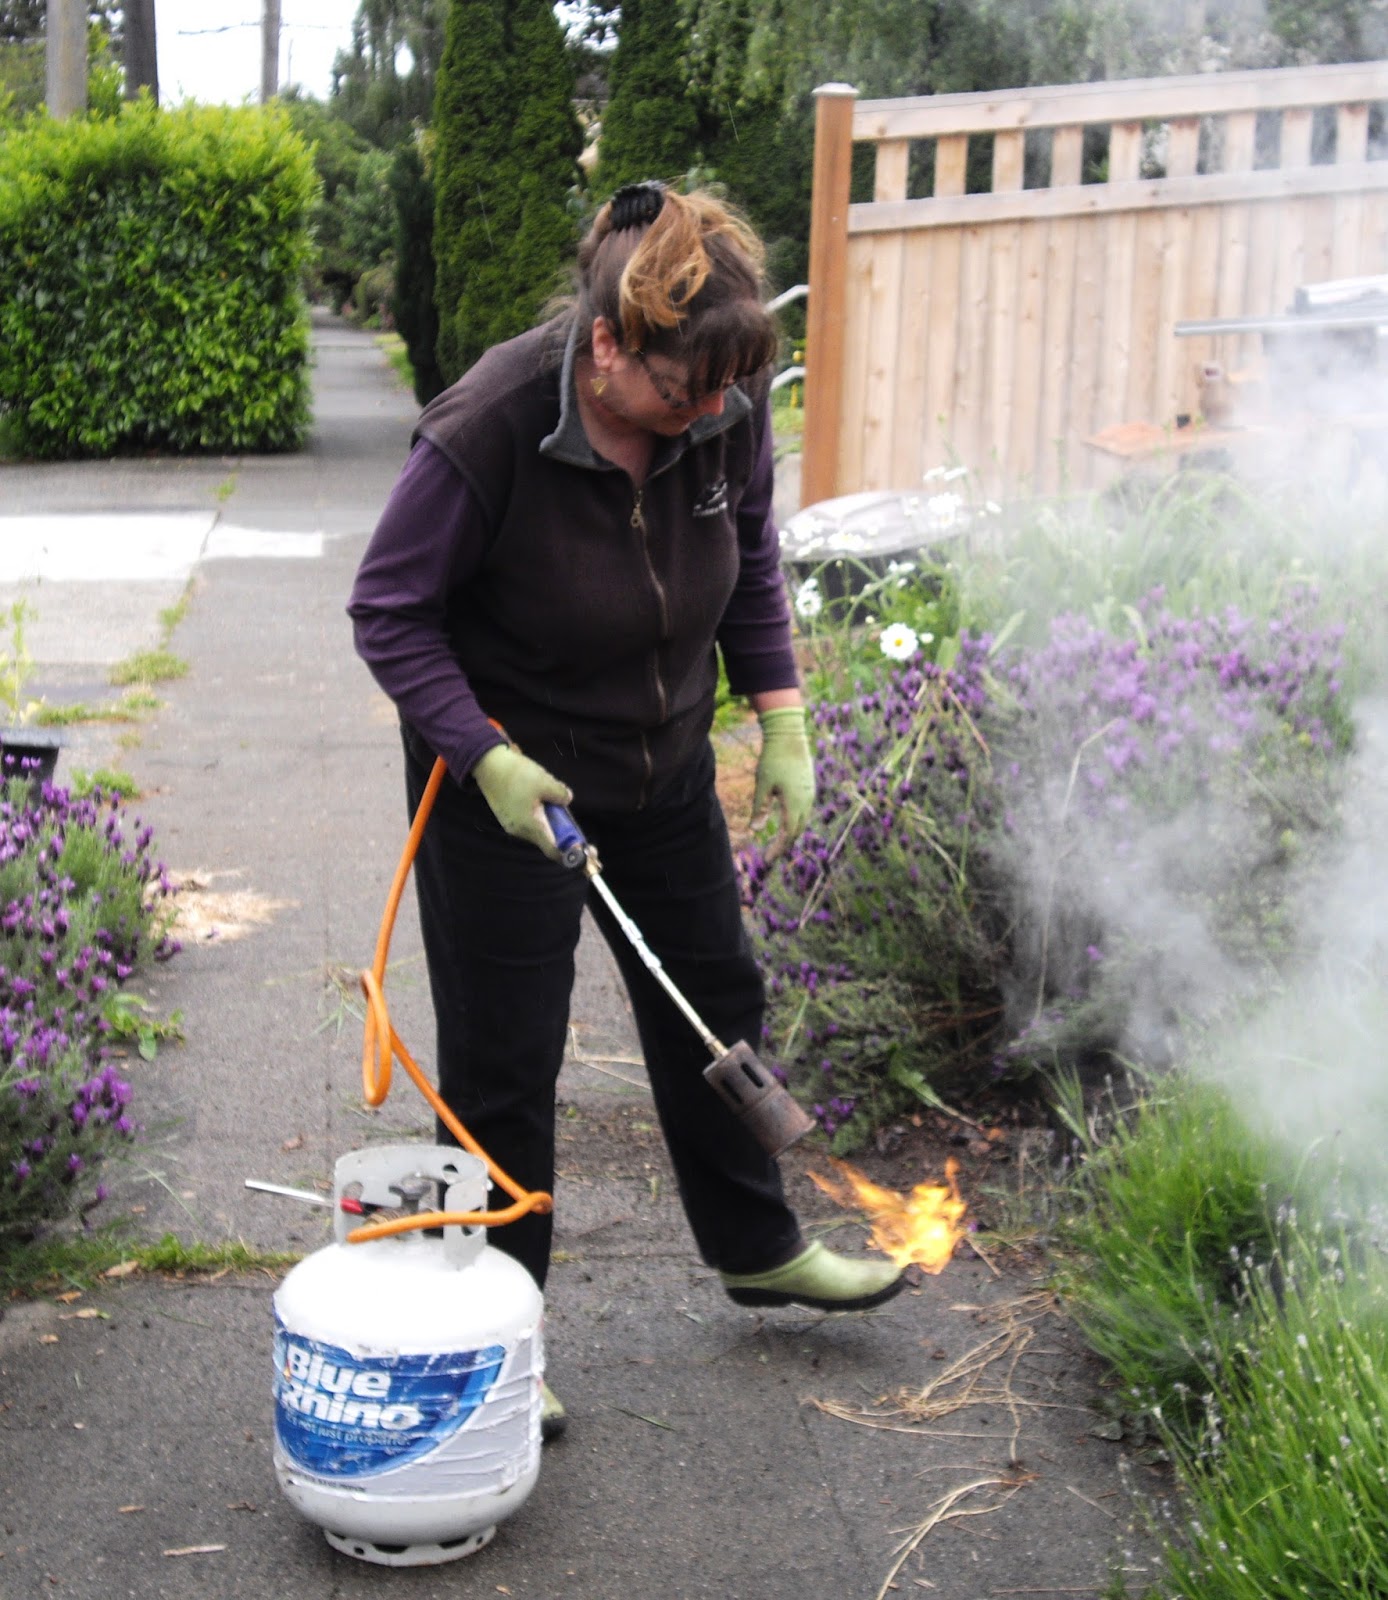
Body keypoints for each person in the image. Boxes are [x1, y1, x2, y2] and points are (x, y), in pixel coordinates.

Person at [348, 180, 905, 1436]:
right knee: (505, 1063)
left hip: (658, 769)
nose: (707, 415)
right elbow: (388, 611)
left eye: (725, 393)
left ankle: (756, 1245)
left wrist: (781, 711)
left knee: (716, 1002)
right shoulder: (490, 421)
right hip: (505, 786)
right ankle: (497, 1336)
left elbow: (749, 553)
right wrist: (484, 757)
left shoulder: (722, 400)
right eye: (681, 390)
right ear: (607, 344)